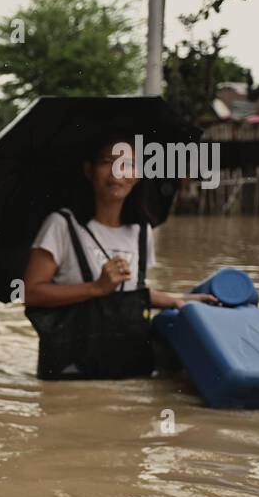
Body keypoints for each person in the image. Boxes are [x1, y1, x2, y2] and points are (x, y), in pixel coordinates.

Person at [22, 133, 216, 379]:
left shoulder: (142, 231)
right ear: (89, 170)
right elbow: (29, 292)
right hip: (70, 373)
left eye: (127, 164)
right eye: (106, 162)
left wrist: (178, 300)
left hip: (128, 370)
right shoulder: (61, 224)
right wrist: (96, 287)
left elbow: (129, 292)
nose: (117, 172)